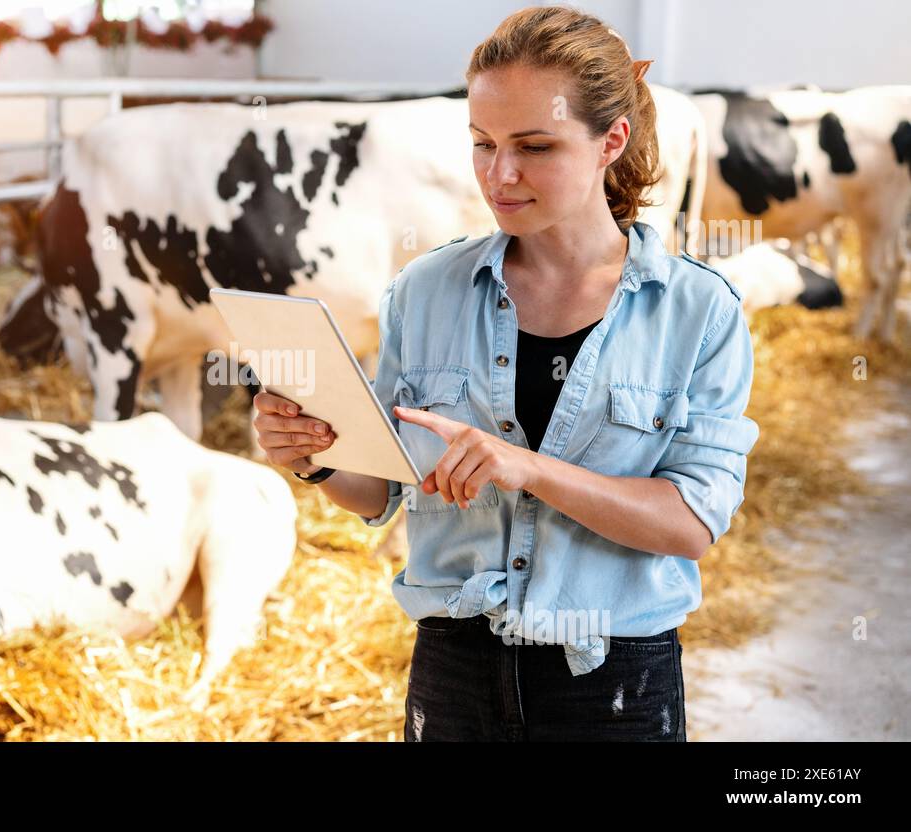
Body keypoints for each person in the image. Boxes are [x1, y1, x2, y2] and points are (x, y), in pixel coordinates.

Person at [250, 5, 760, 741]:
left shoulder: (697, 311)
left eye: (535, 145)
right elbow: (384, 492)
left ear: (610, 140)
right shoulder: (425, 290)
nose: (501, 173)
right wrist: (313, 458)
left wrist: (526, 468)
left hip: (611, 680)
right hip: (454, 672)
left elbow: (688, 524)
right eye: (483, 143)